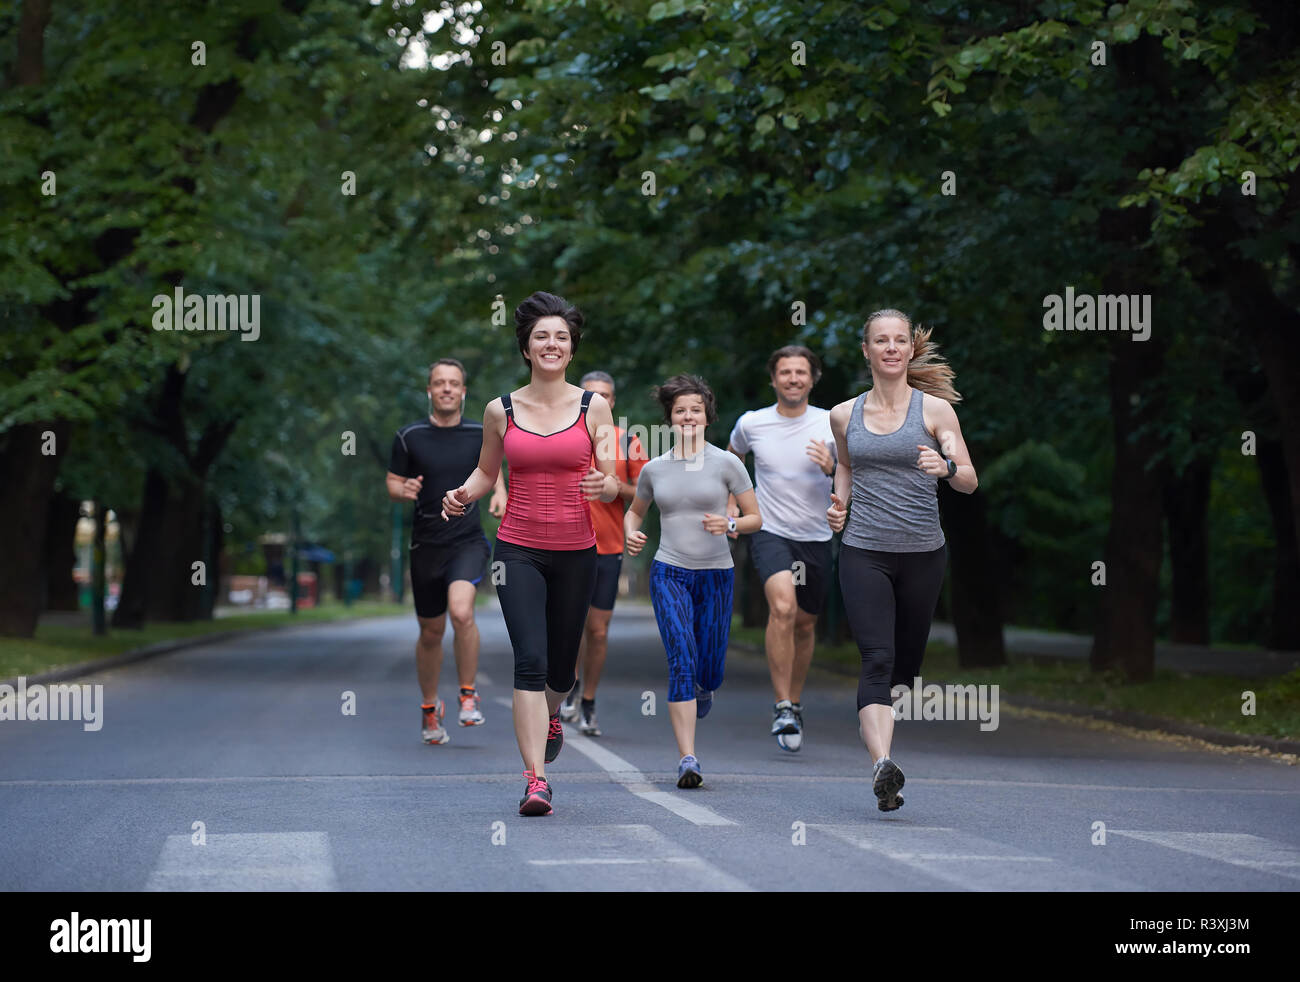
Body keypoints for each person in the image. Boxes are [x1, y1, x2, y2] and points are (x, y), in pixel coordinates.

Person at [441, 291, 620, 817]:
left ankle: (554, 712)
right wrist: (461, 494)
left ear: (572, 349)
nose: (552, 344)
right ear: (526, 347)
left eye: (561, 337)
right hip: (517, 549)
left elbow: (609, 475)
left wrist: (605, 487)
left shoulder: (595, 407)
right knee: (531, 660)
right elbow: (486, 472)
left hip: (577, 550)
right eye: (541, 335)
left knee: (561, 670)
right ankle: (535, 780)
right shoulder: (501, 409)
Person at [826, 309, 977, 812]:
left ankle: (884, 750)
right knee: (878, 658)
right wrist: (839, 503)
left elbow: (970, 479)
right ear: (866, 351)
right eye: (880, 341)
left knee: (904, 670)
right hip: (864, 549)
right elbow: (846, 465)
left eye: (899, 341)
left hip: (923, 554)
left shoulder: (935, 412)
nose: (891, 348)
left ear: (910, 351)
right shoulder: (844, 414)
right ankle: (882, 765)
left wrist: (947, 464)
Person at [625, 375, 761, 788]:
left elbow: (756, 517)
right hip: (670, 572)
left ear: (707, 416)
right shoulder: (654, 468)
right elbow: (635, 511)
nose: (688, 416)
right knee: (681, 658)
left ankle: (706, 686)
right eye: (680, 410)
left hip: (716, 576)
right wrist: (630, 531)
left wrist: (732, 521)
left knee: (709, 668)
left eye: (695, 410)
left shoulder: (727, 463)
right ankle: (688, 757)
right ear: (669, 417)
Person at [386, 358, 506, 745]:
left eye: (454, 383)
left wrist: (500, 493)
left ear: (464, 391)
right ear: (429, 390)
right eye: (439, 383)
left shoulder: (479, 433)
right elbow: (393, 480)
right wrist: (400, 490)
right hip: (425, 545)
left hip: (467, 540)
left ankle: (468, 694)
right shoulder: (409, 436)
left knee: (461, 611)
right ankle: (429, 706)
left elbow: (493, 469)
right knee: (431, 632)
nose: (447, 389)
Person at [726, 345, 837, 752]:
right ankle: (782, 704)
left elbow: (853, 477)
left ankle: (796, 699)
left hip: (817, 536)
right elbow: (732, 459)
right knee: (784, 608)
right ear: (773, 380)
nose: (793, 378)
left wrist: (832, 466)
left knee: (806, 623)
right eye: (785, 372)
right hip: (771, 531)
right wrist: (733, 504)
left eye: (801, 372)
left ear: (813, 378)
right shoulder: (752, 424)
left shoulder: (832, 423)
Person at [558, 370, 649, 737]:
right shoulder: (561, 437)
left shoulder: (628, 442)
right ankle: (569, 687)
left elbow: (644, 494)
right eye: (591, 393)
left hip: (606, 547)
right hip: (564, 546)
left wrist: (611, 486)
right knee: (569, 626)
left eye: (606, 395)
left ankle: (590, 700)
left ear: (612, 402)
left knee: (597, 630)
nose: (599, 400)